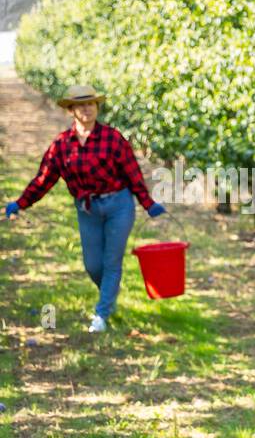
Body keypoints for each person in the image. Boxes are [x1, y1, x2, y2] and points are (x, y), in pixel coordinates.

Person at [5, 84, 166, 332]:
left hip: (118, 205)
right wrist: (21, 202)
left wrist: (148, 203)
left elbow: (132, 173)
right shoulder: (62, 144)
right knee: (93, 265)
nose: (87, 109)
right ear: (71, 110)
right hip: (87, 208)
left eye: (91, 104)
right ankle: (109, 296)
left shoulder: (112, 139)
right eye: (81, 105)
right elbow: (44, 179)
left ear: (97, 107)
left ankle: (101, 315)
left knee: (112, 261)